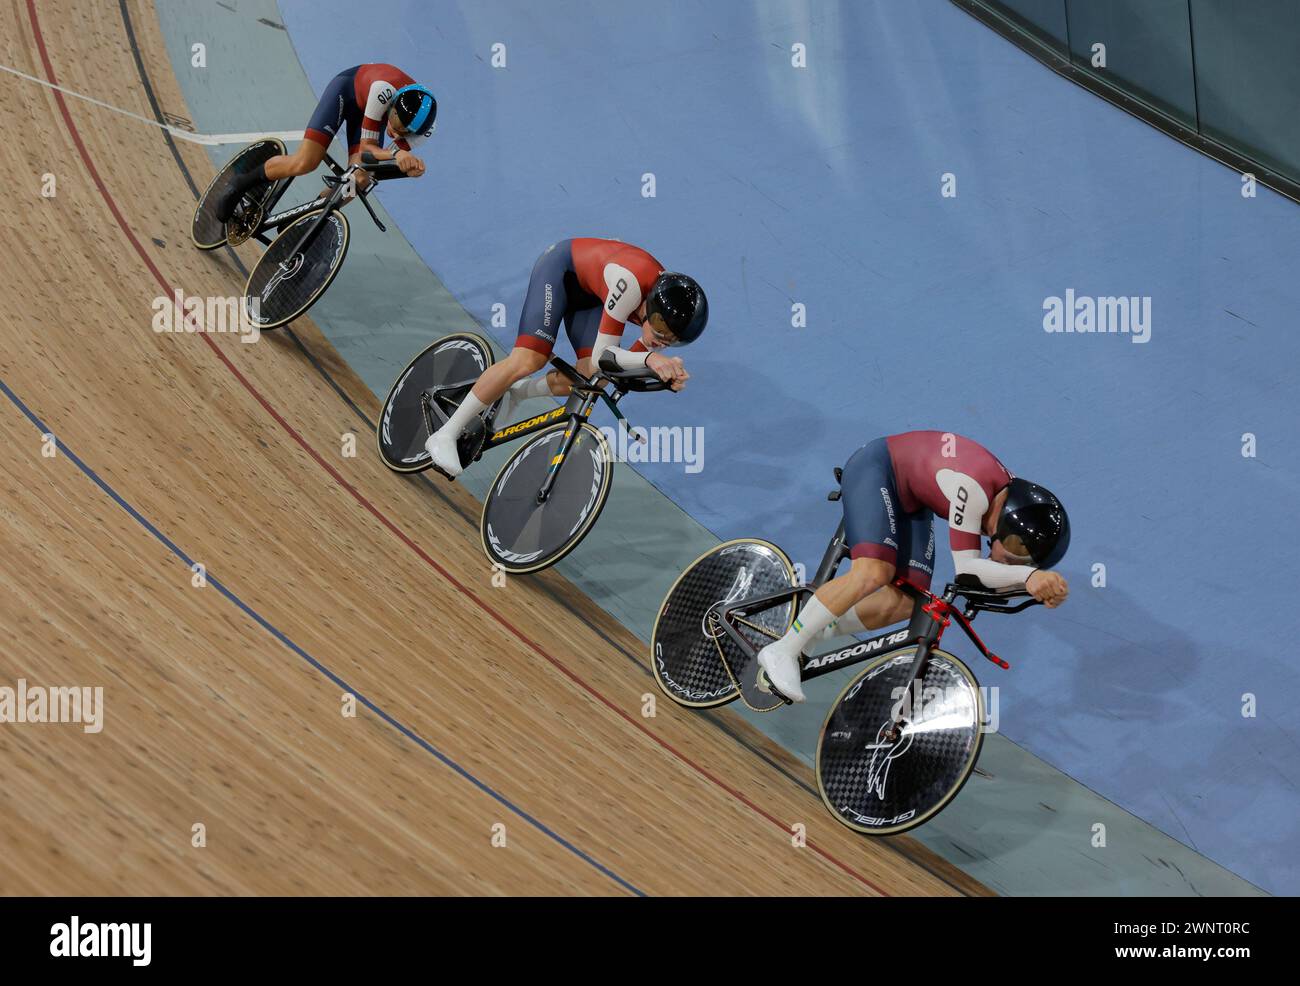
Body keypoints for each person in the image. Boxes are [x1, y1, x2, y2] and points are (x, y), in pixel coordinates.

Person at [758, 430, 1070, 702]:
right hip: (877, 468)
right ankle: (783, 650)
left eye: (1025, 560)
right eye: (1017, 550)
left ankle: (812, 629)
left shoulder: (999, 496)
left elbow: (986, 577)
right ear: (1011, 521)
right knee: (874, 572)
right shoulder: (973, 490)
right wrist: (1028, 577)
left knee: (908, 602)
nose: (1010, 560)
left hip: (912, 498)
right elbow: (969, 570)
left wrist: (1036, 586)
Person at [424, 237, 707, 478]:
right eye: (660, 330)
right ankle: (445, 434)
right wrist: (649, 361)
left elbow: (612, 367)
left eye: (672, 340)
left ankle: (517, 393)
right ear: (652, 306)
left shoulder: (661, 319)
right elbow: (604, 354)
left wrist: (659, 374)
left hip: (592, 297)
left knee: (592, 380)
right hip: (561, 273)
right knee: (530, 360)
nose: (662, 340)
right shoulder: (630, 283)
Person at [216, 63, 435, 222]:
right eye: (394, 126)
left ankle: (308, 219)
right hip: (346, 92)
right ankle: (239, 184)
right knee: (306, 162)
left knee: (360, 179)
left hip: (371, 114)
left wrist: (406, 169)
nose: (394, 134)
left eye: (401, 134)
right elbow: (370, 150)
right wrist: (398, 155)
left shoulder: (423, 130)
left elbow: (373, 165)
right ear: (394, 106)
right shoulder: (383, 91)